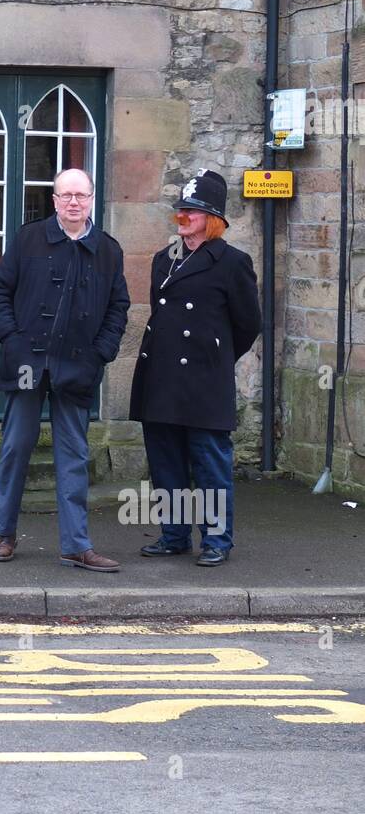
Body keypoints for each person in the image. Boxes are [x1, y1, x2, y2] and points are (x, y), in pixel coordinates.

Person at [0, 168, 130, 570]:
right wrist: (11, 341)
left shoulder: (108, 249)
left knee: (74, 454)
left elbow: (119, 308)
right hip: (27, 363)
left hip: (77, 367)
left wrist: (100, 352)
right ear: (53, 200)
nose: (73, 202)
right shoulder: (29, 238)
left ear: (91, 200)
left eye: (80, 196)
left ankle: (76, 545)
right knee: (16, 448)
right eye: (65, 195)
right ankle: (4, 534)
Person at [130, 169, 262, 566]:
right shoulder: (162, 260)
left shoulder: (232, 262)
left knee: (209, 463)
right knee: (165, 461)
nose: (183, 217)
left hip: (204, 382)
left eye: (192, 211)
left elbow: (248, 325)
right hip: (161, 378)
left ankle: (217, 540)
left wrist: (215, 359)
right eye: (181, 211)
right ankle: (174, 535)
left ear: (213, 218)